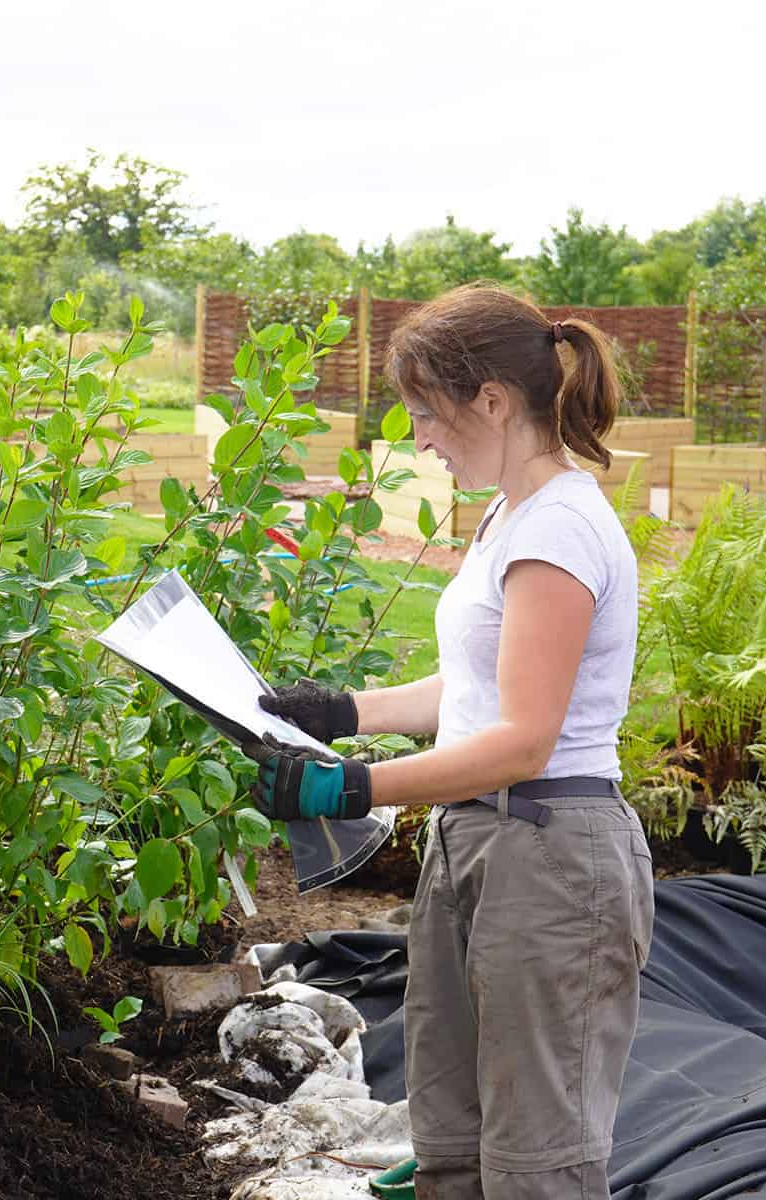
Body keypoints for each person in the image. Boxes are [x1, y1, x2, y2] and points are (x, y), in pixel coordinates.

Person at [241, 285, 654, 1200]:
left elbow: (523, 741)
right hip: (481, 842)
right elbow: (475, 693)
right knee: (451, 1136)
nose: (420, 438)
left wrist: (350, 790)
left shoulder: (560, 530)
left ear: (494, 402)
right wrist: (344, 711)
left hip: (548, 857)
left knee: (537, 1159)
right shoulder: (509, 517)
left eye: (428, 414)